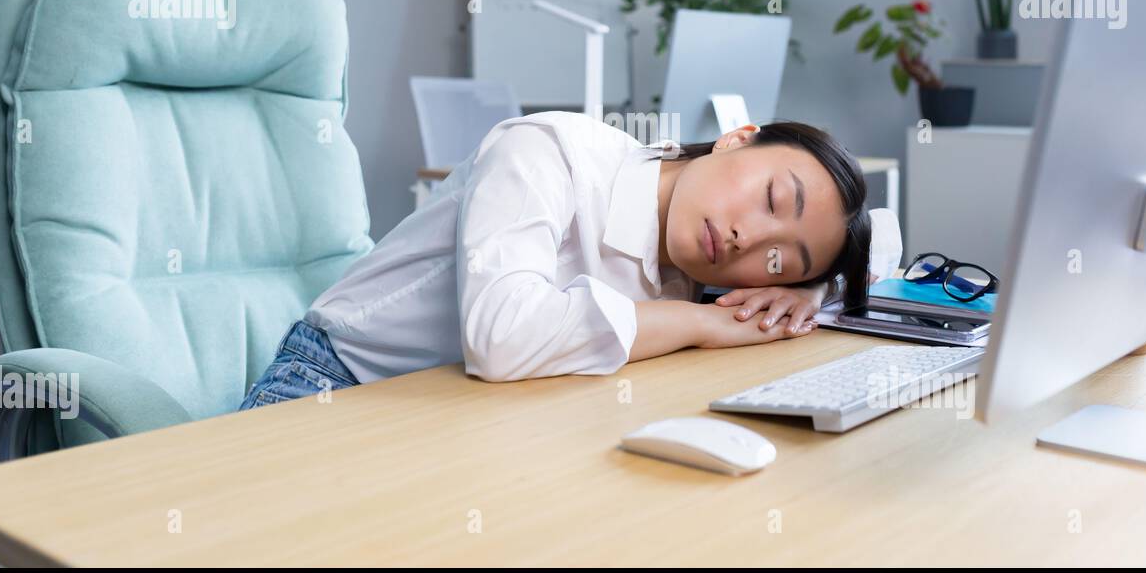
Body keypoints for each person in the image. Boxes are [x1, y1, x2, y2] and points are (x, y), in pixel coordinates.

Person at [239, 111, 872, 409]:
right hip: (336, 387)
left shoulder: (697, 258)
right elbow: (502, 338)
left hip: (469, 418)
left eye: (778, 261)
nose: (747, 242)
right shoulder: (548, 152)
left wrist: (808, 293)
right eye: (769, 199)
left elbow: (885, 247)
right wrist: (705, 324)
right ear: (737, 137)